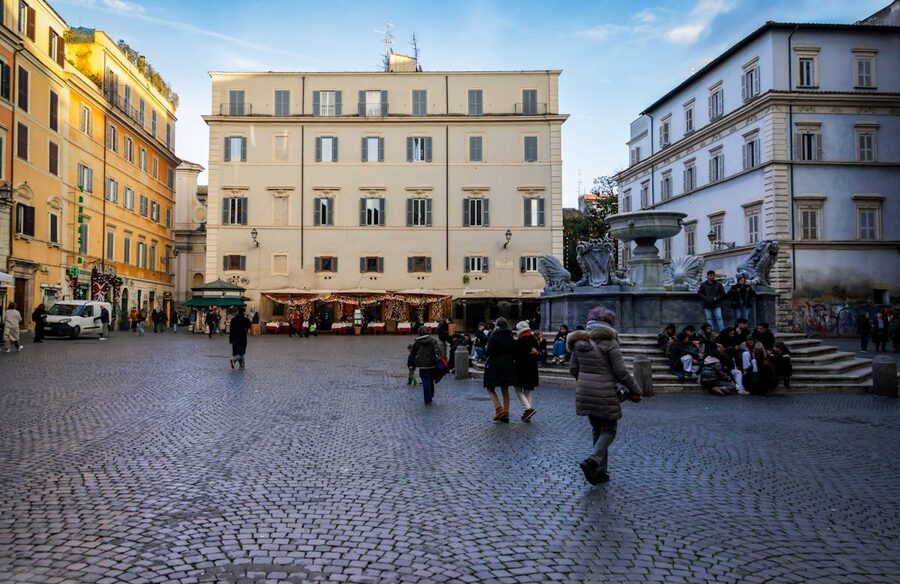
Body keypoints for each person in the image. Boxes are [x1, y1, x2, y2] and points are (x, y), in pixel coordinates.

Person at [567, 306, 641, 486]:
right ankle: (594, 460)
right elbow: (621, 372)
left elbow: (573, 369)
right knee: (609, 429)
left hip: (585, 391)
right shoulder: (610, 344)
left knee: (597, 430)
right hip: (605, 392)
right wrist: (635, 389)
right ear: (609, 325)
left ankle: (601, 470)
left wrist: (584, 380)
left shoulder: (579, 344)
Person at [483, 318, 517, 422]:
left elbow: (488, 352)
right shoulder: (510, 337)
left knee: (489, 386)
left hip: (495, 364)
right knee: (505, 388)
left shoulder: (494, 336)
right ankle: (505, 413)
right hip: (507, 364)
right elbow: (514, 352)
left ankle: (498, 408)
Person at [512, 321, 540, 422]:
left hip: (521, 368)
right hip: (532, 368)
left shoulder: (520, 341)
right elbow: (538, 353)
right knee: (528, 389)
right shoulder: (533, 339)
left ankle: (528, 409)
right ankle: (528, 412)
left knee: (517, 388)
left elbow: (515, 355)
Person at [412, 326, 440, 405]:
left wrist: (414, 362)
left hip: (422, 364)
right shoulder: (433, 340)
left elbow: (413, 352)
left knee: (425, 381)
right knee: (430, 380)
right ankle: (430, 395)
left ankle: (428, 399)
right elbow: (437, 351)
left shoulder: (417, 341)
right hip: (432, 363)